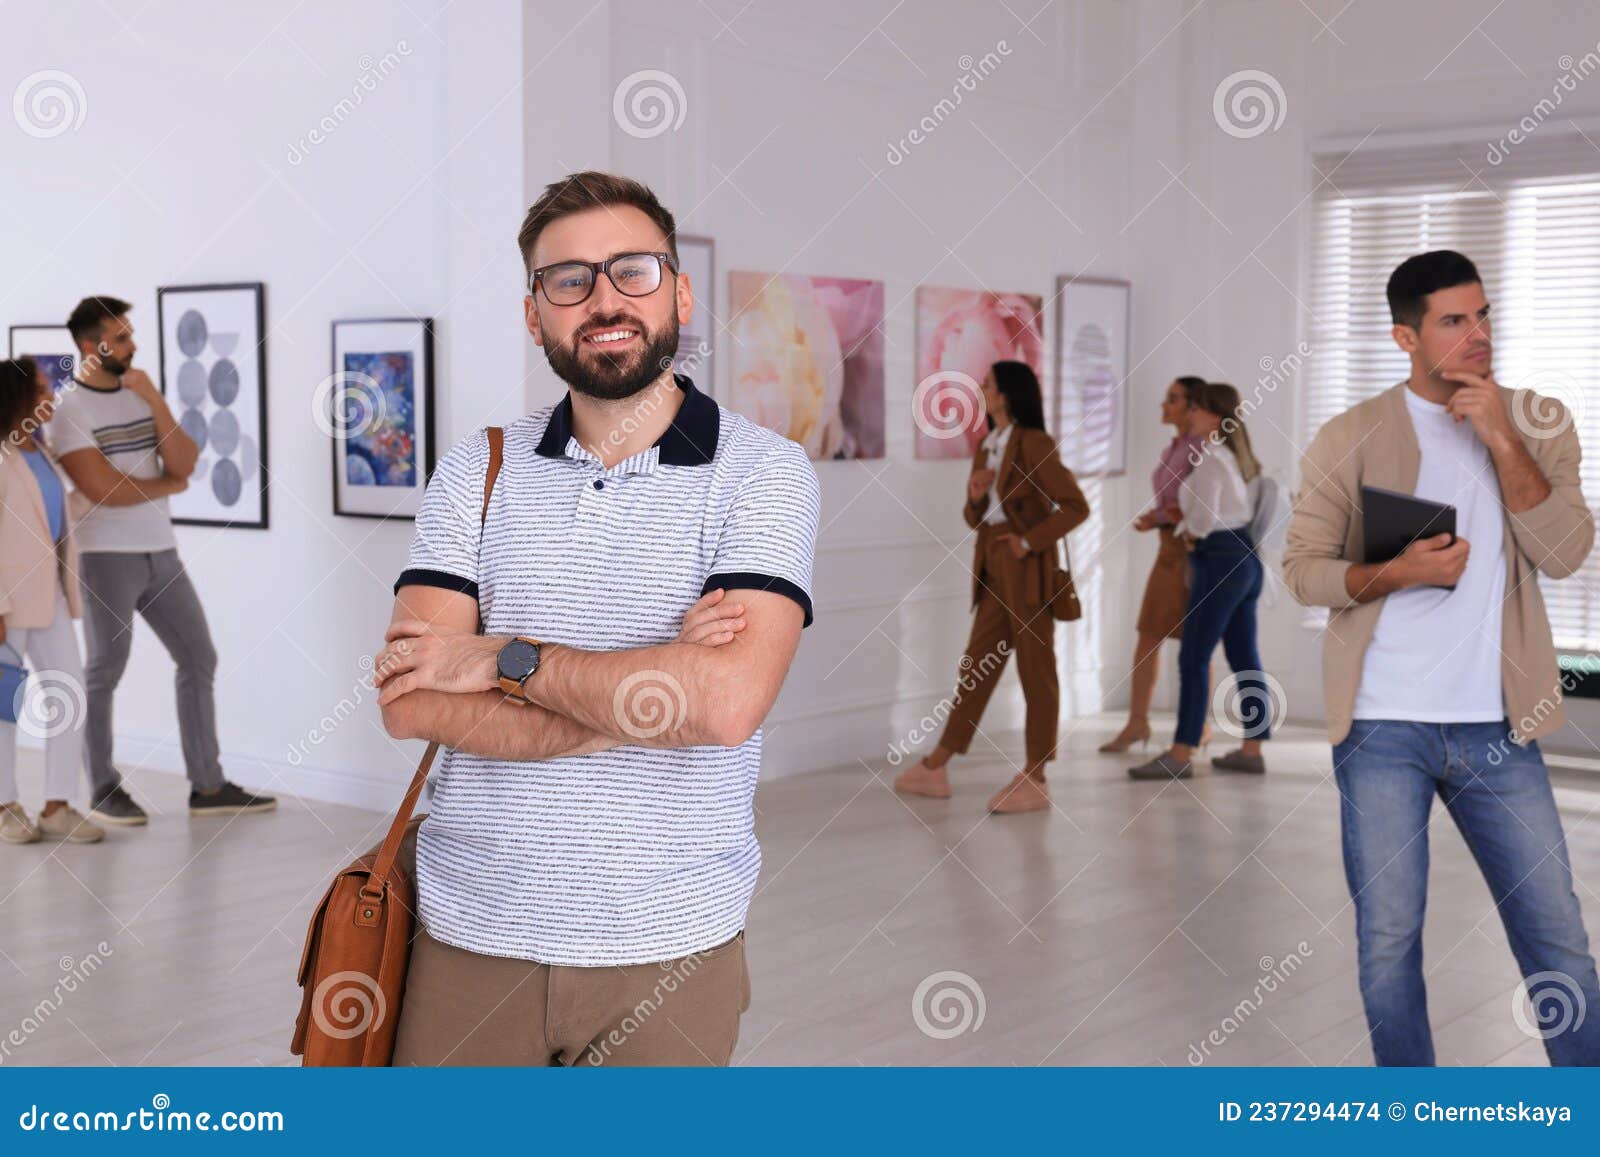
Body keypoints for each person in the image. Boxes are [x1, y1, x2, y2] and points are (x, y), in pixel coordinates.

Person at [372, 170, 820, 1066]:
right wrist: (651, 692)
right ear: (534, 311)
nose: (603, 299)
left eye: (633, 271)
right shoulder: (479, 470)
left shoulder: (764, 475)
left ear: (679, 291)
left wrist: (504, 655)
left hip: (670, 944)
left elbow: (726, 705)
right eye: (568, 279)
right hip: (472, 929)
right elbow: (410, 701)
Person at [1283, 249, 1600, 1066]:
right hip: (1383, 728)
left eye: (1484, 314)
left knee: (1558, 942)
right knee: (1388, 946)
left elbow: (1566, 552)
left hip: (1499, 726)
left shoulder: (1540, 419)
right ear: (1405, 336)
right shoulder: (1350, 435)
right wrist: (1399, 572)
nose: (1477, 334)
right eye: (1454, 321)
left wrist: (1499, 434)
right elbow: (1302, 570)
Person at [49, 297, 276, 824]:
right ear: (91, 346)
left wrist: (153, 397)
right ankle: (103, 789)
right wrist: (168, 485)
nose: (132, 345)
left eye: (130, 334)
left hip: (162, 551)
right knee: (106, 669)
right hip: (106, 555)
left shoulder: (139, 396)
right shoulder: (68, 412)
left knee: (199, 657)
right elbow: (101, 489)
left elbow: (186, 460)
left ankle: (208, 786)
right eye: (121, 337)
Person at [892, 360, 1090, 814]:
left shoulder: (1034, 442)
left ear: (1007, 395)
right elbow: (975, 519)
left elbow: (1076, 507)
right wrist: (978, 496)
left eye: (987, 384)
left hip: (1028, 567)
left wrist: (1028, 541)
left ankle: (1036, 775)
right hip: (993, 564)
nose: (980, 389)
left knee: (1036, 670)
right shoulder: (987, 445)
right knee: (977, 665)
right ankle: (938, 763)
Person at [1129, 382, 1271, 780]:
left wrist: (1185, 527)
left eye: (1197, 411)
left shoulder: (1209, 459)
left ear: (1214, 418)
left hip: (1219, 560)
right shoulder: (1233, 457)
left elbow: (1204, 521)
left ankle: (1179, 754)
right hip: (1246, 560)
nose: (1189, 416)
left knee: (1193, 657)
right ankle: (1252, 749)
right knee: (1244, 657)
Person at [0, 359, 103, 844]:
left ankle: (58, 806)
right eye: (41, 389)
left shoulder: (40, 451)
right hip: (7, 606)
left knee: (68, 695)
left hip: (52, 598)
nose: (50, 398)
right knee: (4, 707)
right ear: (15, 398)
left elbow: (56, 517)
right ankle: (5, 805)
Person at [1101, 375, 1214, 754]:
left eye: (1173, 399)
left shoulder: (1202, 448)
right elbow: (1176, 502)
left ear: (1193, 406)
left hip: (1191, 550)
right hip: (1168, 549)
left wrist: (1167, 516)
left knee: (1194, 641)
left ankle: (1197, 725)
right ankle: (1139, 722)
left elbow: (1206, 503)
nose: (1163, 405)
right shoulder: (1174, 447)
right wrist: (1157, 518)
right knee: (1150, 636)